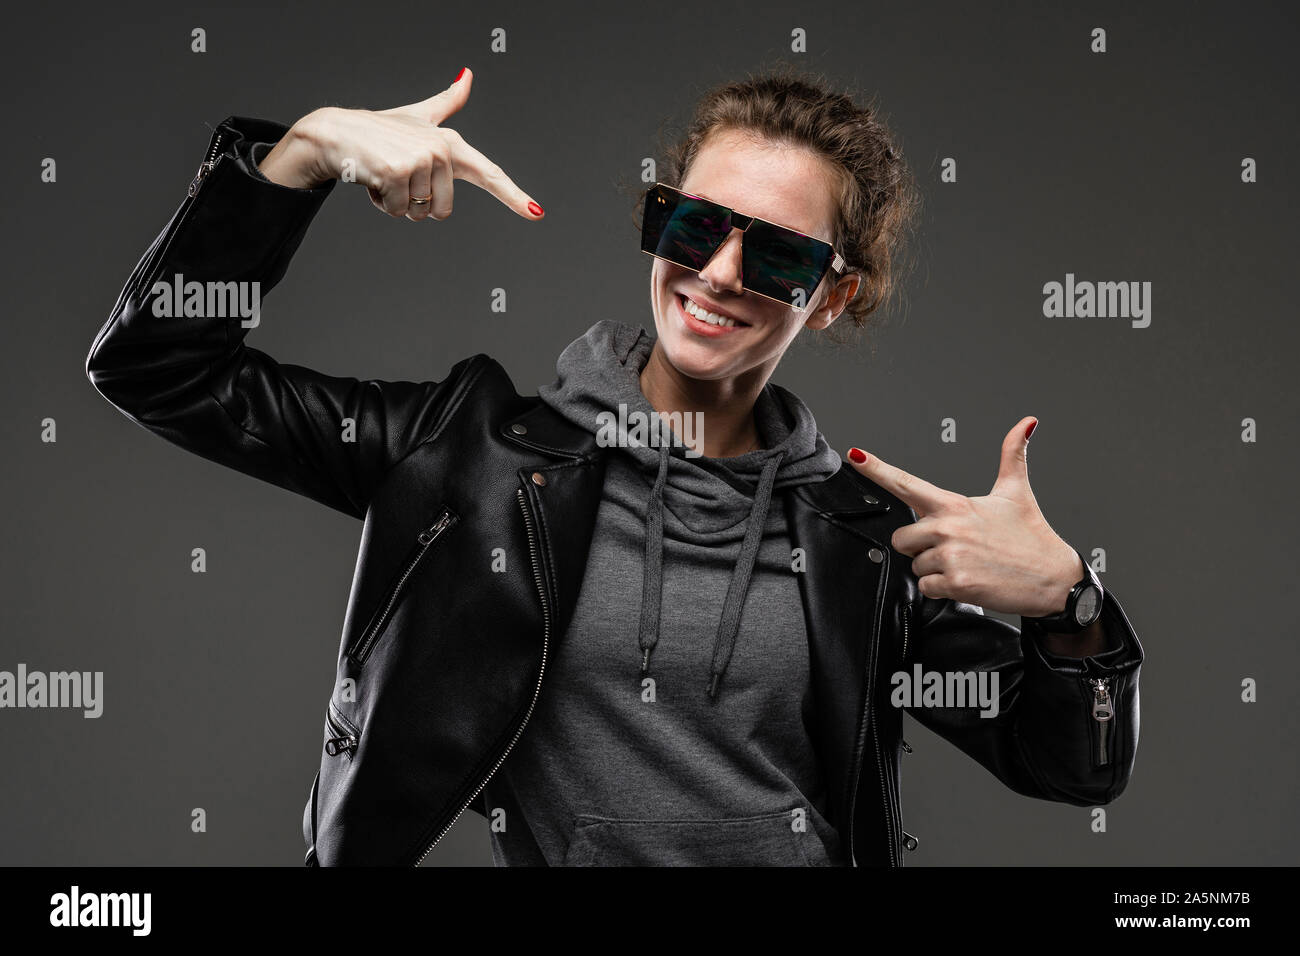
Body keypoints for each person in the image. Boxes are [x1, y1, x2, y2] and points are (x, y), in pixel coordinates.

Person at [85, 63, 1144, 867]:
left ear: (831, 295)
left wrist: (1070, 602)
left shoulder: (856, 537)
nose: (718, 274)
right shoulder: (470, 456)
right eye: (692, 223)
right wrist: (302, 156)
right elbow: (158, 366)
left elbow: (1074, 764)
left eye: (774, 254)